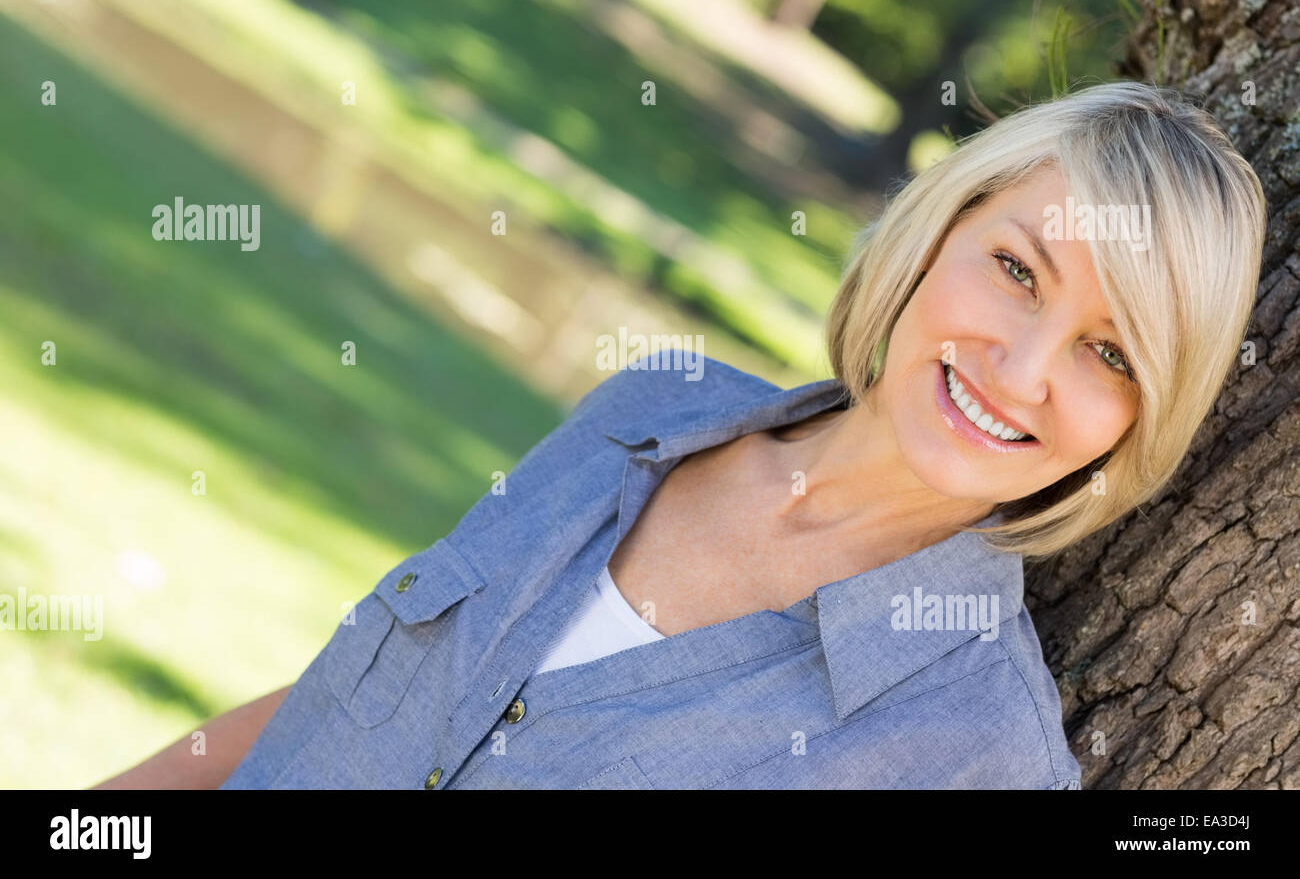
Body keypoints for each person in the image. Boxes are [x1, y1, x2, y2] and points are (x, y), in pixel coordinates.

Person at [94, 80, 1266, 789]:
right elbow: (349, 702)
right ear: (937, 229)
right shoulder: (646, 411)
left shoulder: (972, 753)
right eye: (1016, 269)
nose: (1021, 370)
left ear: (1139, 417)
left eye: (1110, 353)